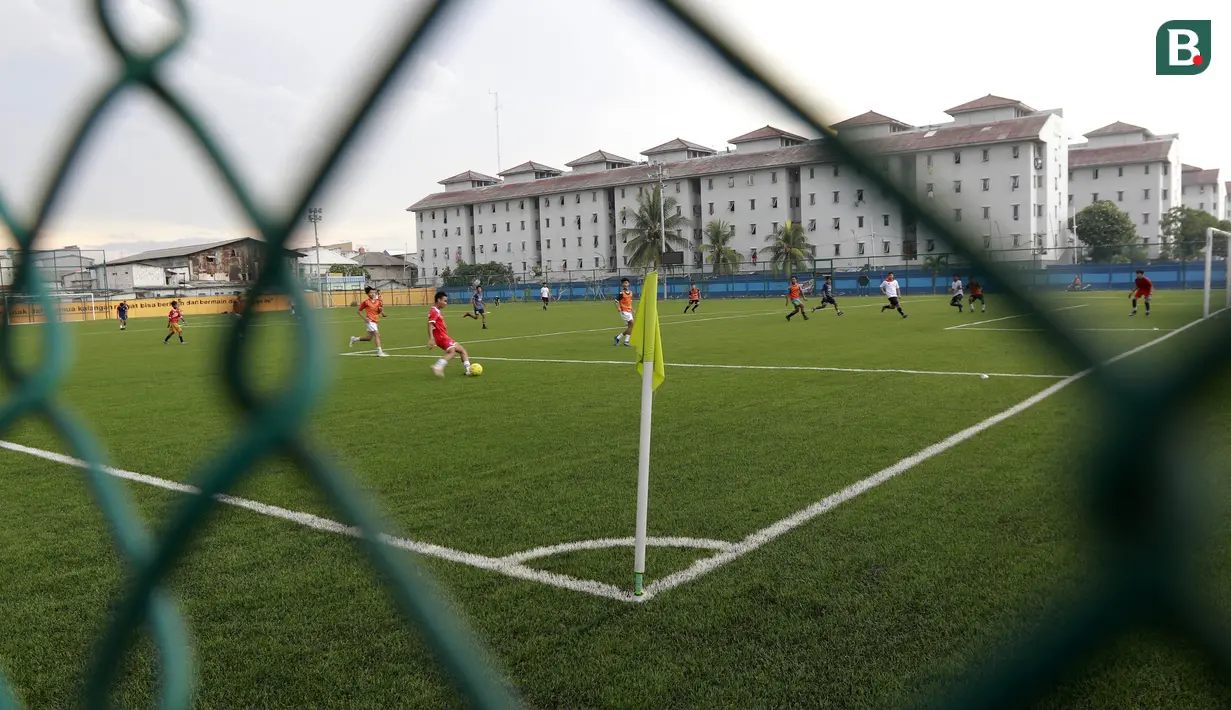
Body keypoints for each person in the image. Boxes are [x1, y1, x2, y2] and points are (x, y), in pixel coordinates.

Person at [428, 291, 473, 377]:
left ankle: (468, 370)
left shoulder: (436, 310)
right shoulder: (434, 311)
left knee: (462, 350)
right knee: (452, 352)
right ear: (438, 300)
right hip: (441, 337)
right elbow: (430, 323)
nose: (446, 303)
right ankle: (438, 366)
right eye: (444, 301)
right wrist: (431, 338)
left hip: (444, 336)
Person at [348, 290, 388, 356]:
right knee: (377, 334)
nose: (372, 294)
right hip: (370, 321)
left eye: (373, 293)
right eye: (371, 293)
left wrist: (381, 312)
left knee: (368, 338)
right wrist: (364, 319)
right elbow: (359, 311)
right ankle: (379, 352)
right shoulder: (366, 302)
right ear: (368, 294)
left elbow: (377, 312)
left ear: (375, 294)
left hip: (375, 321)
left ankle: (354, 339)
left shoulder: (378, 302)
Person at [613, 278, 634, 346]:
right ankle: (626, 341)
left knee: (630, 327)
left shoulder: (631, 292)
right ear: (622, 285)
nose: (625, 284)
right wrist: (618, 308)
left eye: (626, 283)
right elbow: (616, 301)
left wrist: (632, 309)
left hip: (629, 311)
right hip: (624, 311)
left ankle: (618, 338)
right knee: (632, 323)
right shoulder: (621, 293)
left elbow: (630, 302)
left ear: (629, 284)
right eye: (623, 283)